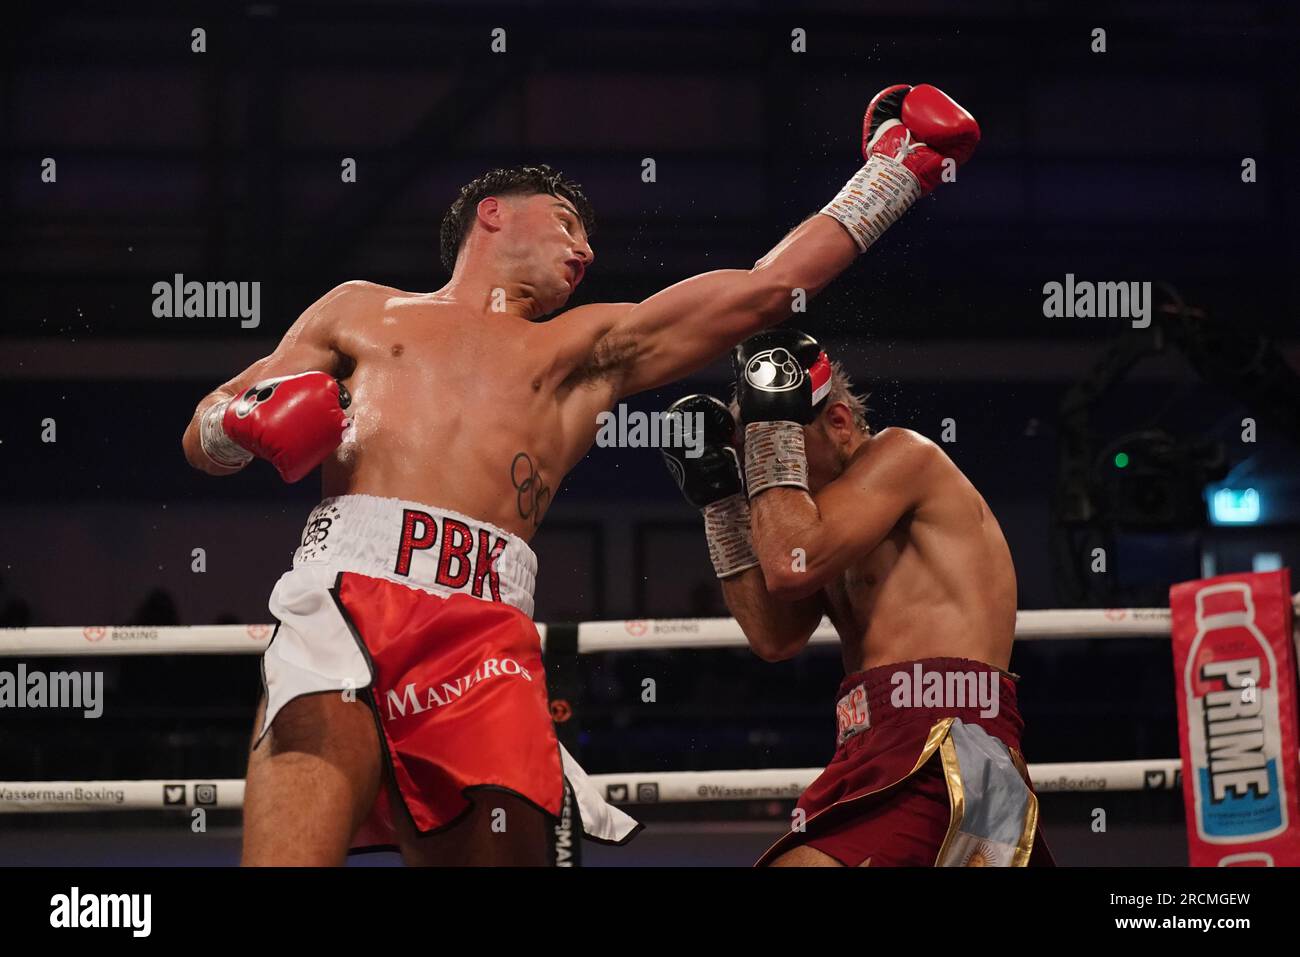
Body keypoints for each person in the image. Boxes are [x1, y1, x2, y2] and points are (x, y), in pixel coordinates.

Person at [180, 83, 979, 866]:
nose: (586, 251)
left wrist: (895, 173)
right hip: (346, 595)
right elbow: (207, 425)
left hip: (484, 633)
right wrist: (234, 423)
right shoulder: (357, 308)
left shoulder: (582, 351)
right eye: (567, 224)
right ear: (493, 215)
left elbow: (762, 292)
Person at [662, 329, 1053, 866]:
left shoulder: (904, 454)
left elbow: (786, 564)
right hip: (875, 746)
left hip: (944, 741)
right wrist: (722, 506)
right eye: (755, 459)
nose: (766, 474)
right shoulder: (820, 531)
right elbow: (774, 637)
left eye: (775, 449)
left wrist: (767, 420)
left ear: (840, 423)